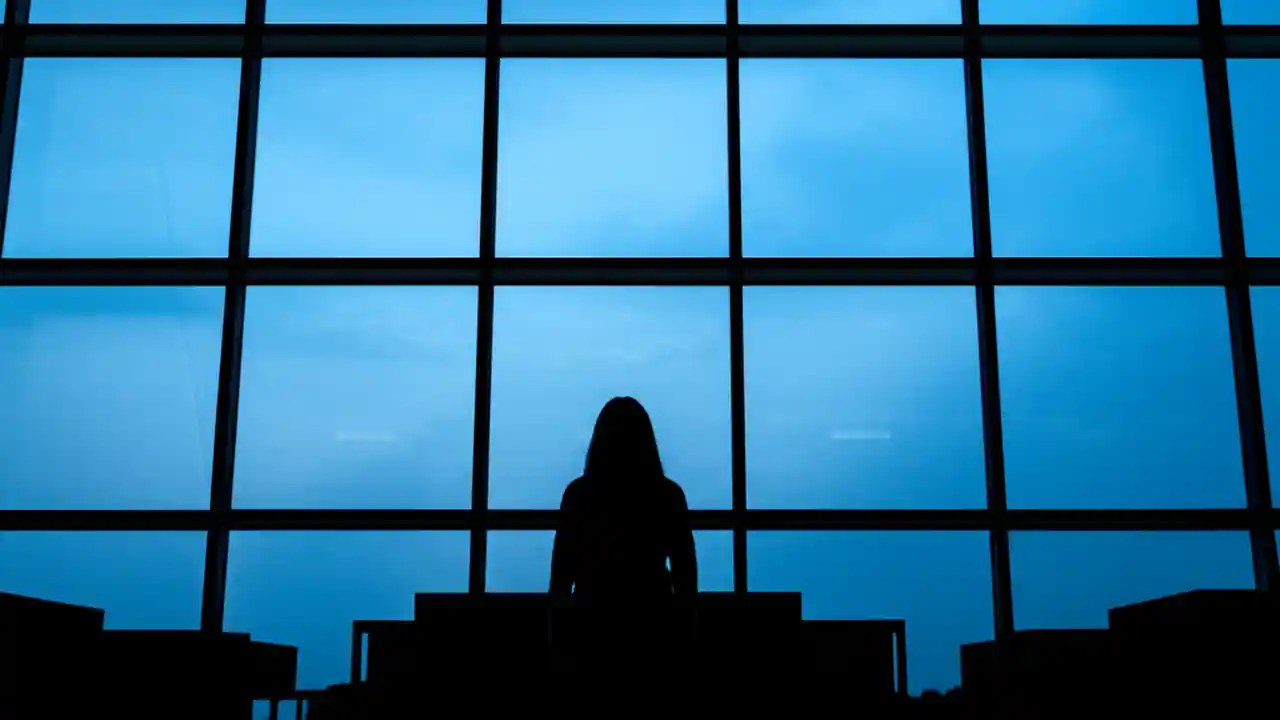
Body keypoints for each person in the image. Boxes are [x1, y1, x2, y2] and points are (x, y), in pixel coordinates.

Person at [548, 397, 697, 671]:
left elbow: (560, 578)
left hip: (591, 623)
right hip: (653, 622)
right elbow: (686, 579)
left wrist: (558, 640)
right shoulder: (668, 496)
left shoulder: (578, 495)